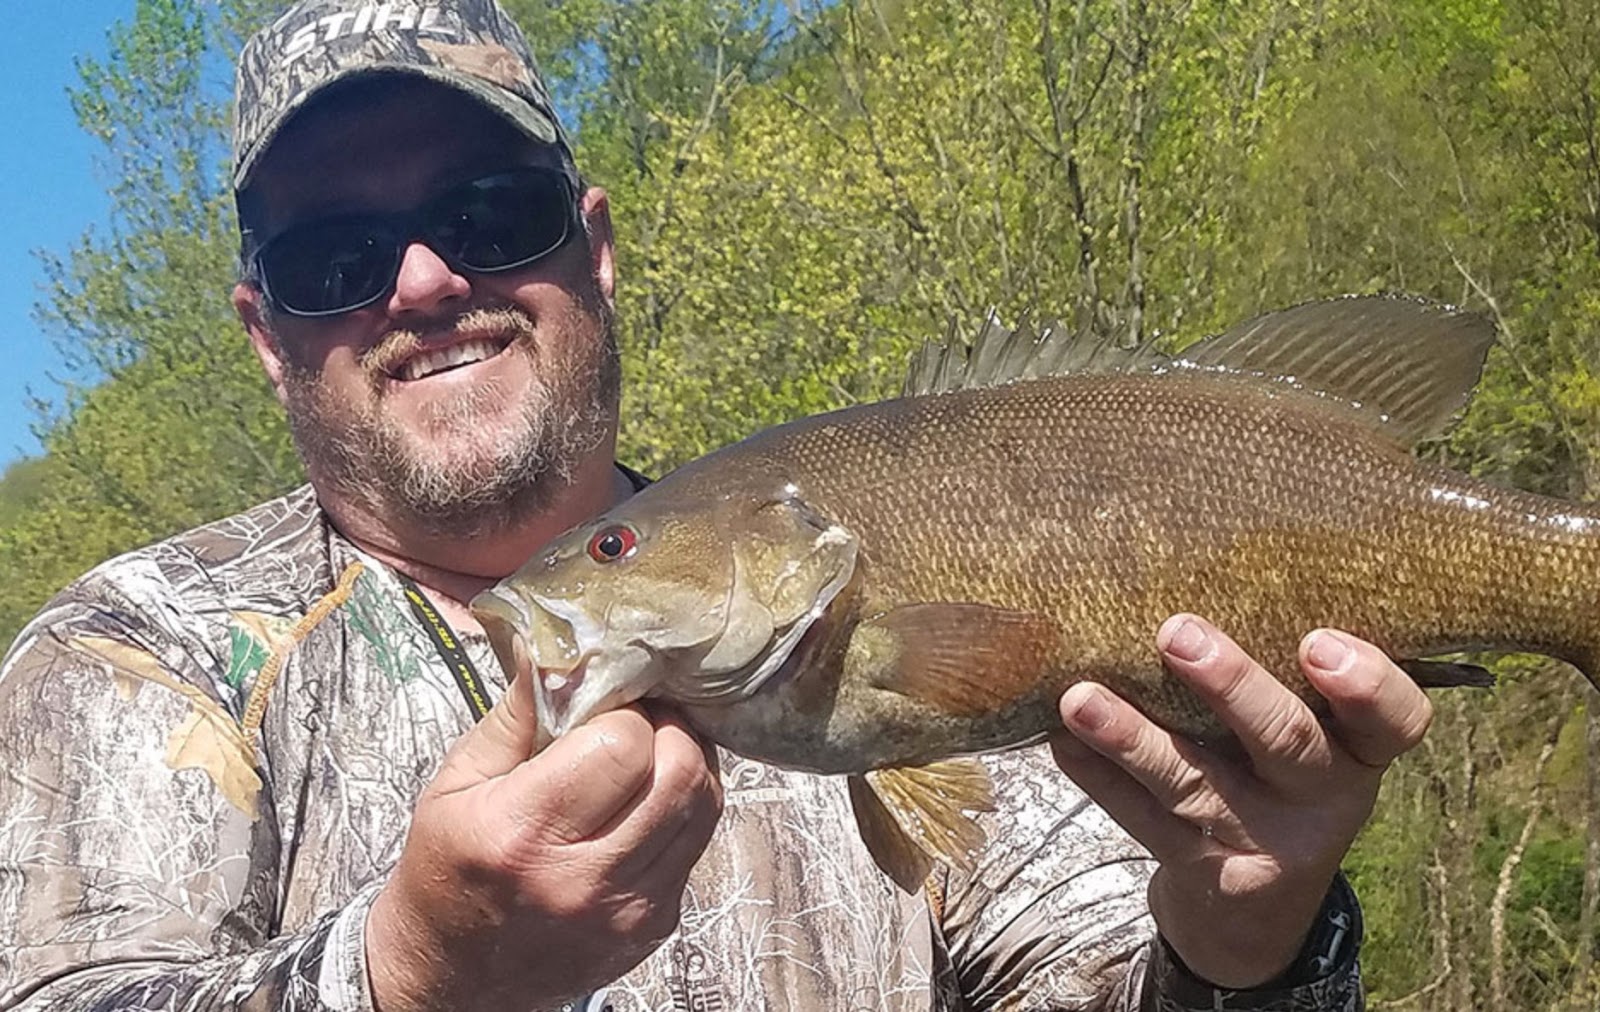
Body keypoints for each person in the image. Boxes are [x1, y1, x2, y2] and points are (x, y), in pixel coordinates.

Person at [0, 1, 1433, 1009]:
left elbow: (1098, 976)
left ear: (597, 247)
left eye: (493, 213)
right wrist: (403, 984)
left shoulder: (859, 578)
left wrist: (1252, 949)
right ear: (264, 334)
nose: (428, 282)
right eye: (337, 255)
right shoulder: (140, 658)